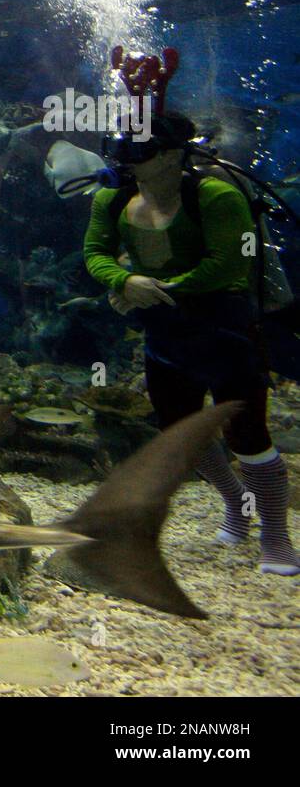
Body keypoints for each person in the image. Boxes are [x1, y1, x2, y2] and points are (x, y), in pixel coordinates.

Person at [84, 110, 298, 576]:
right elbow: (94, 254)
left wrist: (150, 290)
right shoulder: (111, 198)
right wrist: (123, 281)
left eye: (139, 151)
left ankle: (277, 539)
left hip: (224, 330)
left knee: (249, 436)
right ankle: (235, 505)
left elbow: (228, 265)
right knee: (181, 434)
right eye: (120, 149)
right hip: (165, 336)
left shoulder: (216, 196)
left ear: (175, 155)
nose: (127, 161)